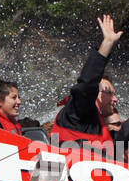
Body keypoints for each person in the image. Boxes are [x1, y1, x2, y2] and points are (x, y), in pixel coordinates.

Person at [51, 15, 124, 153]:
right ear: (96, 94)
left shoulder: (99, 123)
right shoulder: (78, 112)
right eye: (110, 93)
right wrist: (107, 44)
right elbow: (86, 84)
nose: (115, 99)